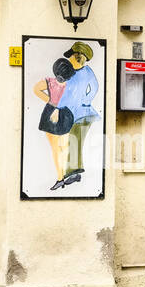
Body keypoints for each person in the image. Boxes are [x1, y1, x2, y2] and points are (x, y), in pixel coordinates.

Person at [57, 42, 99, 187]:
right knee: (69, 141)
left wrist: (85, 101)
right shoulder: (69, 73)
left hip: (83, 114)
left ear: (79, 57)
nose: (69, 59)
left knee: (74, 140)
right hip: (70, 113)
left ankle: (73, 173)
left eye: (71, 56)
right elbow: (64, 93)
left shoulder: (87, 72)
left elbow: (94, 88)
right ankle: (71, 172)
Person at [32, 57, 76, 190]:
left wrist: (52, 103)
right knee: (61, 148)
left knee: (59, 148)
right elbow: (36, 89)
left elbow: (36, 89)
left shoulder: (52, 82)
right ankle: (62, 176)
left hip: (57, 114)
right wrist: (53, 103)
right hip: (59, 114)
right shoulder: (64, 85)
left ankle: (61, 178)